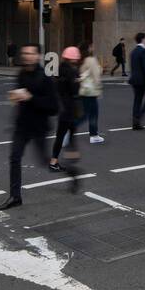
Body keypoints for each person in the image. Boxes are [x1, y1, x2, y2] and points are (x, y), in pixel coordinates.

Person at [0, 44, 56, 210]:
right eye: (25, 53)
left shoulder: (45, 78)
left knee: (44, 161)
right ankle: (15, 197)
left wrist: (31, 97)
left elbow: (53, 108)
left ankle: (71, 172)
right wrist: (15, 97)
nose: (27, 56)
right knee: (14, 158)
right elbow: (19, 97)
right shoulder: (21, 74)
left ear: (38, 56)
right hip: (22, 126)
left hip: (39, 127)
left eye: (31, 53)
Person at [50, 47, 82, 188]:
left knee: (60, 135)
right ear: (73, 58)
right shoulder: (72, 71)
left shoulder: (59, 70)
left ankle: (54, 161)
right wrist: (79, 81)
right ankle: (71, 167)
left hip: (61, 107)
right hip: (70, 108)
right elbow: (75, 91)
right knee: (71, 138)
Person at [79, 44, 104, 143]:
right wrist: (99, 90)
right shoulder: (91, 60)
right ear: (88, 49)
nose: (93, 48)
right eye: (91, 46)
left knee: (86, 113)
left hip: (84, 90)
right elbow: (96, 76)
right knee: (91, 114)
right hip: (91, 91)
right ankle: (93, 135)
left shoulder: (81, 60)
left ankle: (94, 134)